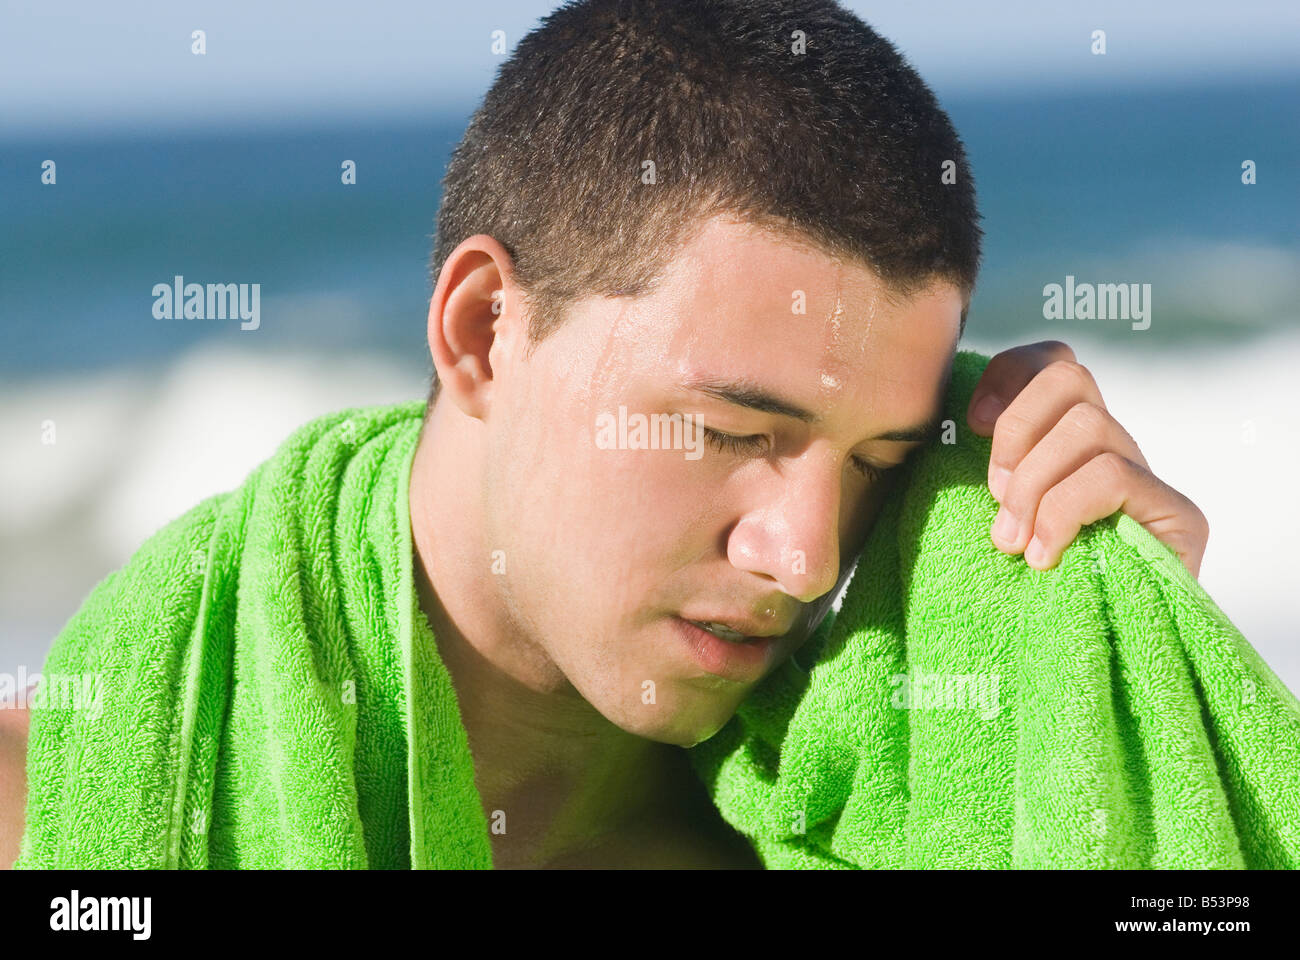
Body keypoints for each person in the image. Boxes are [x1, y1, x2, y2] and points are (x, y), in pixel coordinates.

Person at [2, 0, 1209, 869]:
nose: (801, 557)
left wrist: (1127, 685)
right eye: (734, 429)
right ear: (481, 332)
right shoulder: (43, 818)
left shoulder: (854, 825)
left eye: (879, 464)